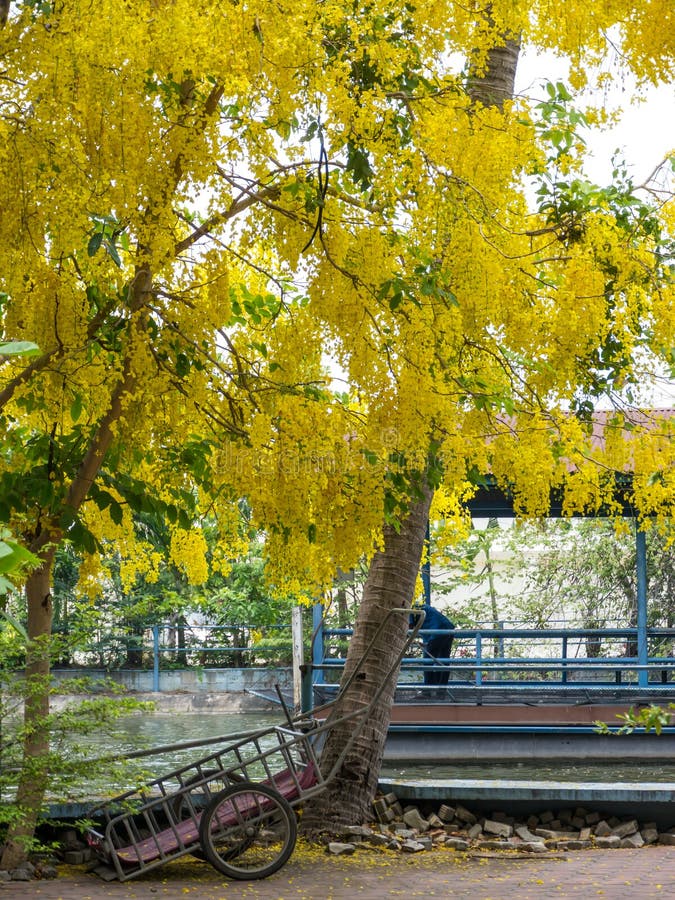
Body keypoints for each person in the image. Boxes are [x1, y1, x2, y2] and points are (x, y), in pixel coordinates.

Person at [411, 605, 455, 686]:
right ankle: (441, 690)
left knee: (427, 661)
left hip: (437, 631)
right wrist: (428, 644)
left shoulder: (410, 610)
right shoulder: (423, 607)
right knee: (444, 660)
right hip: (448, 629)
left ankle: (428, 691)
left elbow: (408, 627)